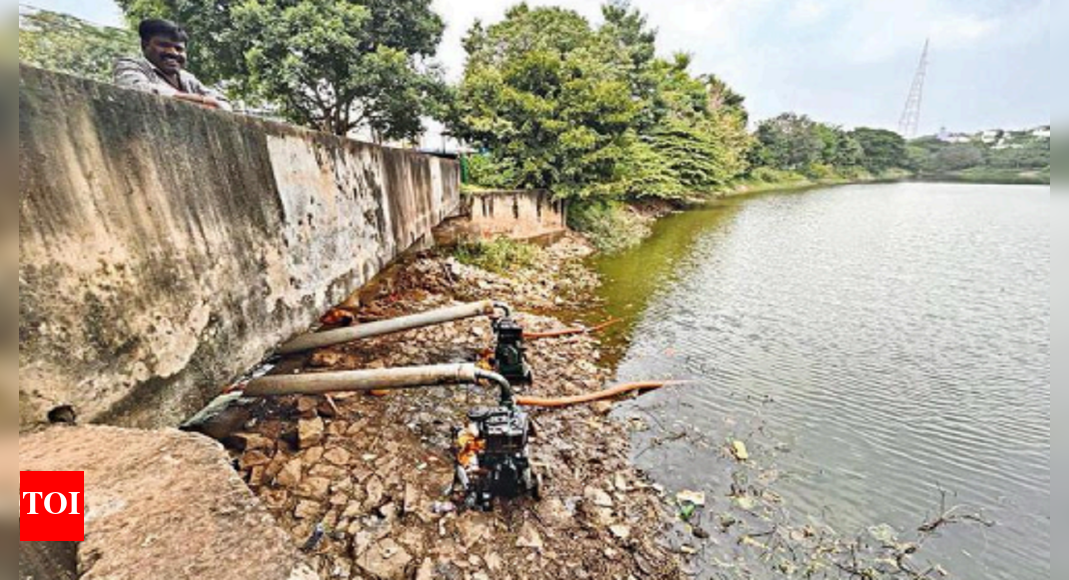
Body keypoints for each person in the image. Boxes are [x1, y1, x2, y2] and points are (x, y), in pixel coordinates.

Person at [113, 19, 231, 111]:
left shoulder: (187, 78)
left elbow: (222, 102)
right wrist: (202, 100)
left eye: (179, 48)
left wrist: (214, 103)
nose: (173, 52)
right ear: (145, 45)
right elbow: (136, 89)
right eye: (164, 45)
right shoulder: (130, 65)